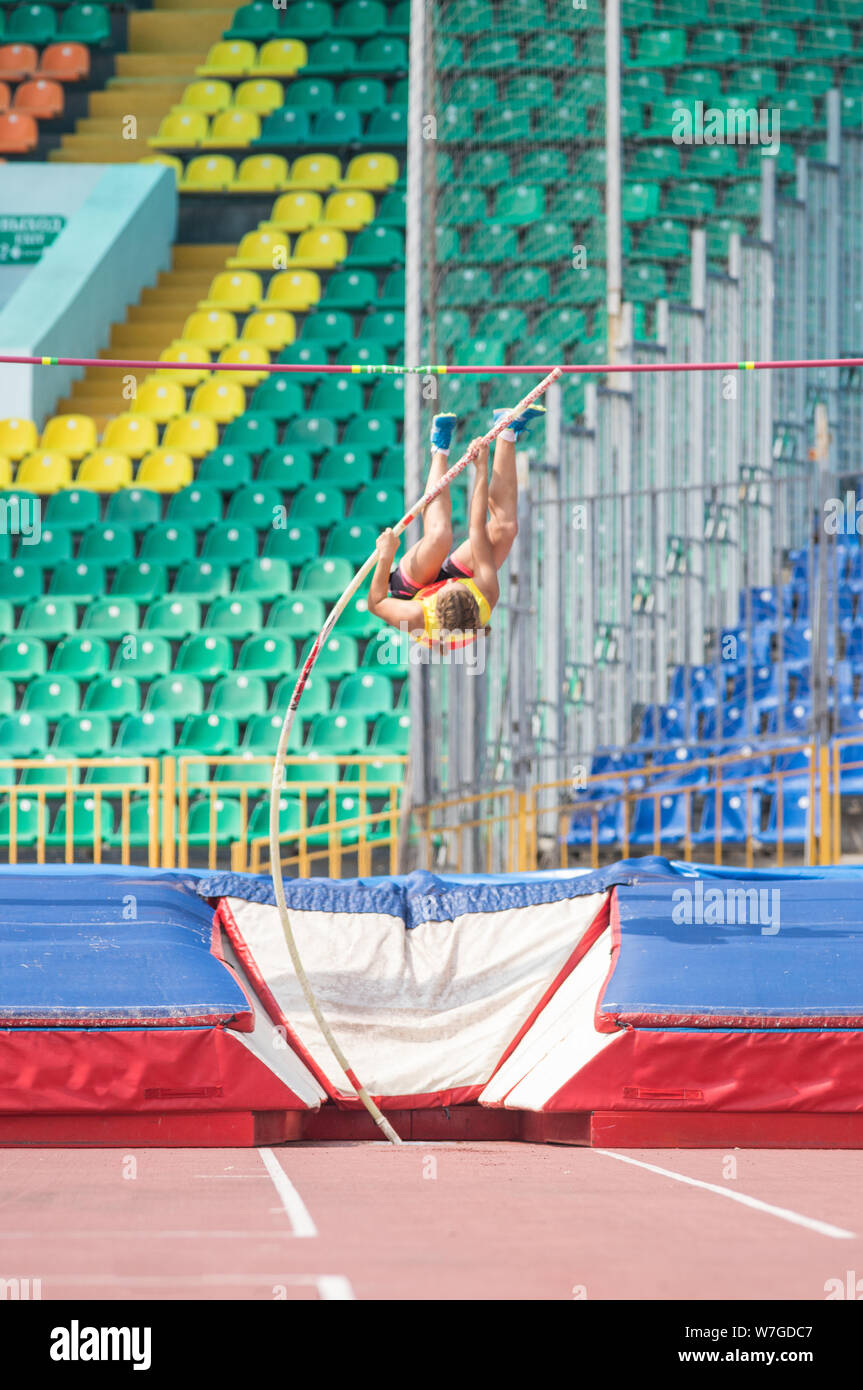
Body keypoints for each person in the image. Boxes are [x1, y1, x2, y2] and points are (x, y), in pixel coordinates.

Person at [368, 406, 544, 648]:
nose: (448, 580)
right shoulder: (485, 594)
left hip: (411, 594)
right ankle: (507, 430)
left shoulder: (416, 616)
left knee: (439, 537)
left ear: (435, 602)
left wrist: (386, 556)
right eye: (456, 583)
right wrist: (480, 470)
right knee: (505, 529)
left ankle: (439, 447)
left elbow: (376, 603)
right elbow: (476, 530)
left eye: (447, 585)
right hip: (456, 605)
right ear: (471, 591)